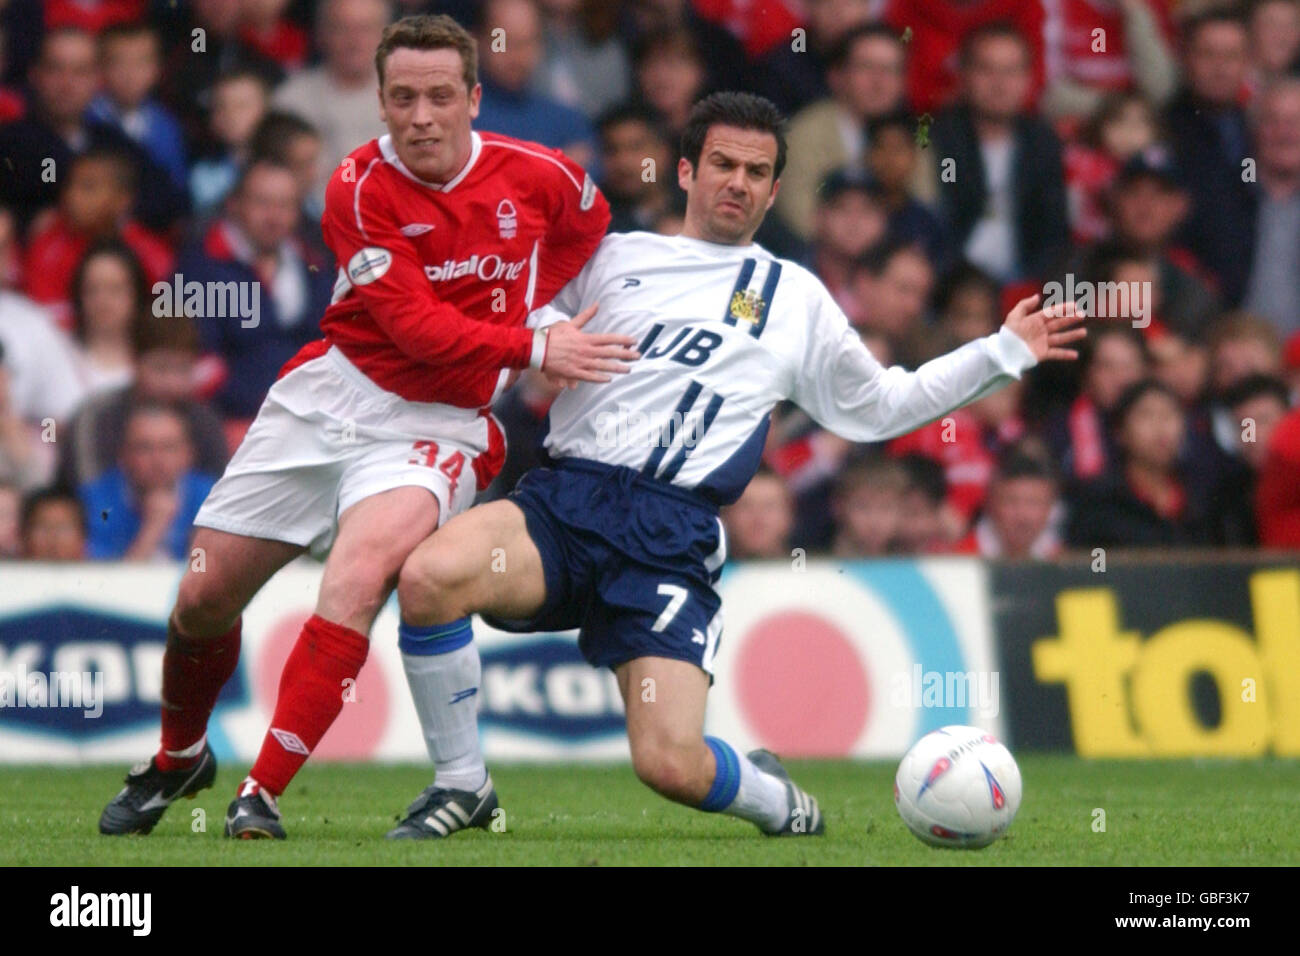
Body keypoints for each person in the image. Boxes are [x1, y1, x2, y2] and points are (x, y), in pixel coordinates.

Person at [389, 92, 1085, 840]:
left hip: (669, 534)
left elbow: (881, 404)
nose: (738, 182)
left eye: (757, 171)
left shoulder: (796, 299)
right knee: (429, 578)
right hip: (565, 503)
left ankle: (781, 802)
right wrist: (547, 343)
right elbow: (520, 314)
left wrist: (1001, 352)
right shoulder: (615, 257)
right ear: (685, 171)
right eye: (722, 163)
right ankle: (463, 786)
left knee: (669, 764)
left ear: (775, 190)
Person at [96, 14, 626, 840]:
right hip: (333, 395)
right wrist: (532, 339)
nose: (422, 116)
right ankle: (178, 757)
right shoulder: (355, 185)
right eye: (404, 97)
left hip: (440, 424)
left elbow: (590, 226)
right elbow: (415, 330)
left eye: (440, 96)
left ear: (474, 99)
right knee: (202, 597)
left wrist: (530, 303)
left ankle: (259, 794)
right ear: (380, 103)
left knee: (356, 577)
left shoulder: (544, 174)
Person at [79, 401, 216, 561]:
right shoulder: (95, 501)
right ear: (123, 455)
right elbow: (103, 580)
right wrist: (153, 527)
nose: (158, 460)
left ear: (188, 454)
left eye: (168, 447)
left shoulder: (211, 496)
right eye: (144, 448)